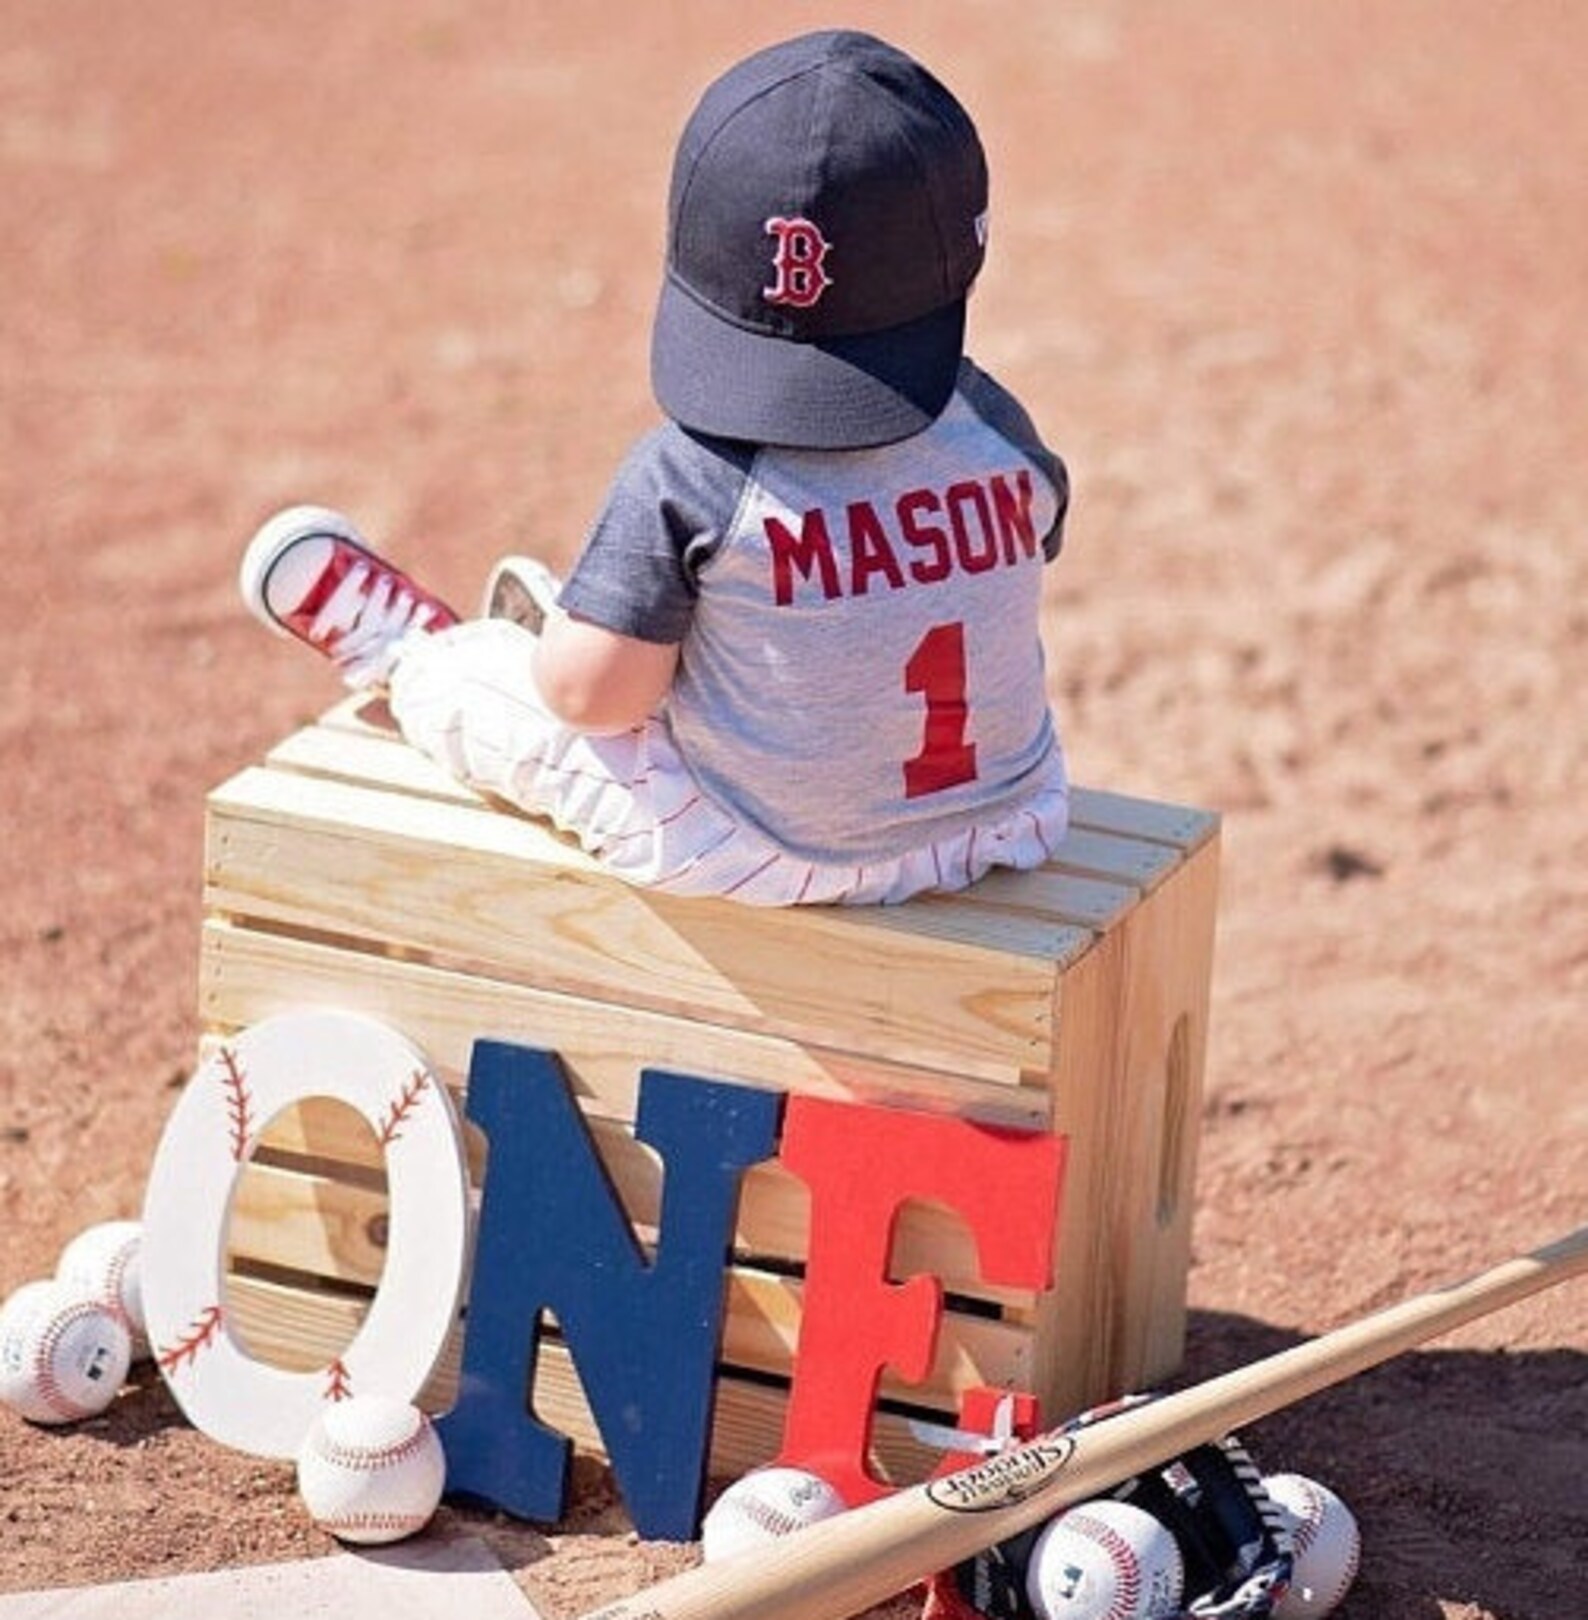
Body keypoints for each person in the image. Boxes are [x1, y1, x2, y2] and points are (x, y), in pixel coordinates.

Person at [241, 29, 1072, 907]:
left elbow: (588, 703)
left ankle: (417, 654)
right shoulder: (999, 428)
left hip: (768, 852)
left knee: (537, 713)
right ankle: (592, 620)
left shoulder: (692, 476)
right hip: (1003, 823)